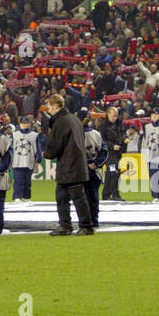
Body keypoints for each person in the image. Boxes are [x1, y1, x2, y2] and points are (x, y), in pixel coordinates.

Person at [41, 94, 94, 235]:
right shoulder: (74, 119)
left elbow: (56, 144)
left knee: (76, 197)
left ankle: (85, 226)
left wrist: (47, 154)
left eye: (49, 106)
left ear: (55, 106)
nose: (48, 109)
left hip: (69, 164)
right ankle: (66, 225)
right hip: (75, 163)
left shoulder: (60, 122)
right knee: (63, 195)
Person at [82, 111, 108, 228]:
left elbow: (104, 151)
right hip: (90, 169)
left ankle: (88, 222)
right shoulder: (95, 134)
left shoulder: (76, 134)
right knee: (91, 197)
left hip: (86, 170)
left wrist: (95, 163)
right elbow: (104, 151)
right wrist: (96, 163)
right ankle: (92, 221)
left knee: (87, 197)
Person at [10, 115, 40, 204]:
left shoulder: (34, 135)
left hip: (29, 161)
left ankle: (27, 196)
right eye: (22, 123)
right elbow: (10, 148)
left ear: (29, 124)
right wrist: (10, 160)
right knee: (18, 180)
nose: (24, 125)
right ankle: (17, 196)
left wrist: (38, 160)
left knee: (27, 181)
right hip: (17, 161)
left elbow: (38, 149)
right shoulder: (14, 135)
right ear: (19, 124)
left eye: (26, 123)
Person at [99, 105, 126, 201]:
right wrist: (112, 146)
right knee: (113, 172)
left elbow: (121, 135)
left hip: (117, 154)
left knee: (113, 173)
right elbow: (101, 141)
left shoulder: (119, 124)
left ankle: (110, 195)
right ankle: (110, 194)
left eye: (116, 116)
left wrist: (125, 140)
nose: (115, 118)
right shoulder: (103, 126)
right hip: (108, 154)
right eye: (113, 116)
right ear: (108, 114)